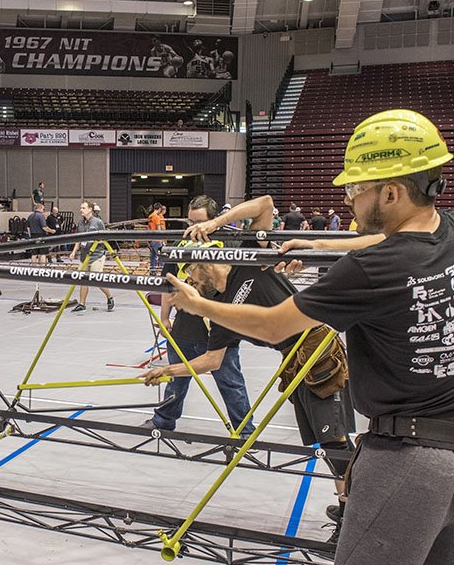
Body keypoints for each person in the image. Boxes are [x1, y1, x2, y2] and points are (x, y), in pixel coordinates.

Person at [167, 110, 454, 565]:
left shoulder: (374, 271)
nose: (349, 200)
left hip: (411, 463)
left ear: (391, 193)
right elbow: (390, 246)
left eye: (357, 190)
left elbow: (277, 324)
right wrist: (323, 247)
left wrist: (199, 303)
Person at [146, 194, 356, 516]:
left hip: (316, 350)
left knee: (335, 441)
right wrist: (167, 371)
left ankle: (353, 513)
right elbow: (212, 360)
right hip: (293, 358)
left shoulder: (249, 256)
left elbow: (266, 204)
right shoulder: (220, 308)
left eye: (190, 277)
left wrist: (214, 224)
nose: (190, 283)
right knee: (325, 442)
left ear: (201, 265)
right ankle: (348, 507)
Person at [137, 195, 251, 436]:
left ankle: (245, 430)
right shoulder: (182, 244)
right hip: (184, 326)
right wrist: (165, 317)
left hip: (218, 327)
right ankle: (164, 419)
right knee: (176, 379)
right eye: (190, 221)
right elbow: (170, 284)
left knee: (230, 382)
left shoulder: (228, 243)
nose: (193, 227)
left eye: (199, 221)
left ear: (213, 220)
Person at [69, 200, 114, 312]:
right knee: (82, 279)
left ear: (90, 209)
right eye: (81, 208)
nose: (81, 210)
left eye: (83, 208)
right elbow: (78, 239)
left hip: (96, 255)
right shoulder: (80, 223)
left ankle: (110, 297)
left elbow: (104, 239)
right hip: (84, 256)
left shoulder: (98, 222)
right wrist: (74, 252)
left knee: (96, 279)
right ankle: (81, 303)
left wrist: (95, 241)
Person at [147, 202, 166, 273]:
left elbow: (148, 227)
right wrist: (162, 239)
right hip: (157, 239)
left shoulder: (150, 216)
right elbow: (159, 229)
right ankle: (162, 270)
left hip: (151, 238)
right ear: (159, 209)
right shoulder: (157, 217)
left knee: (153, 256)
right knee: (161, 255)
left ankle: (152, 271)